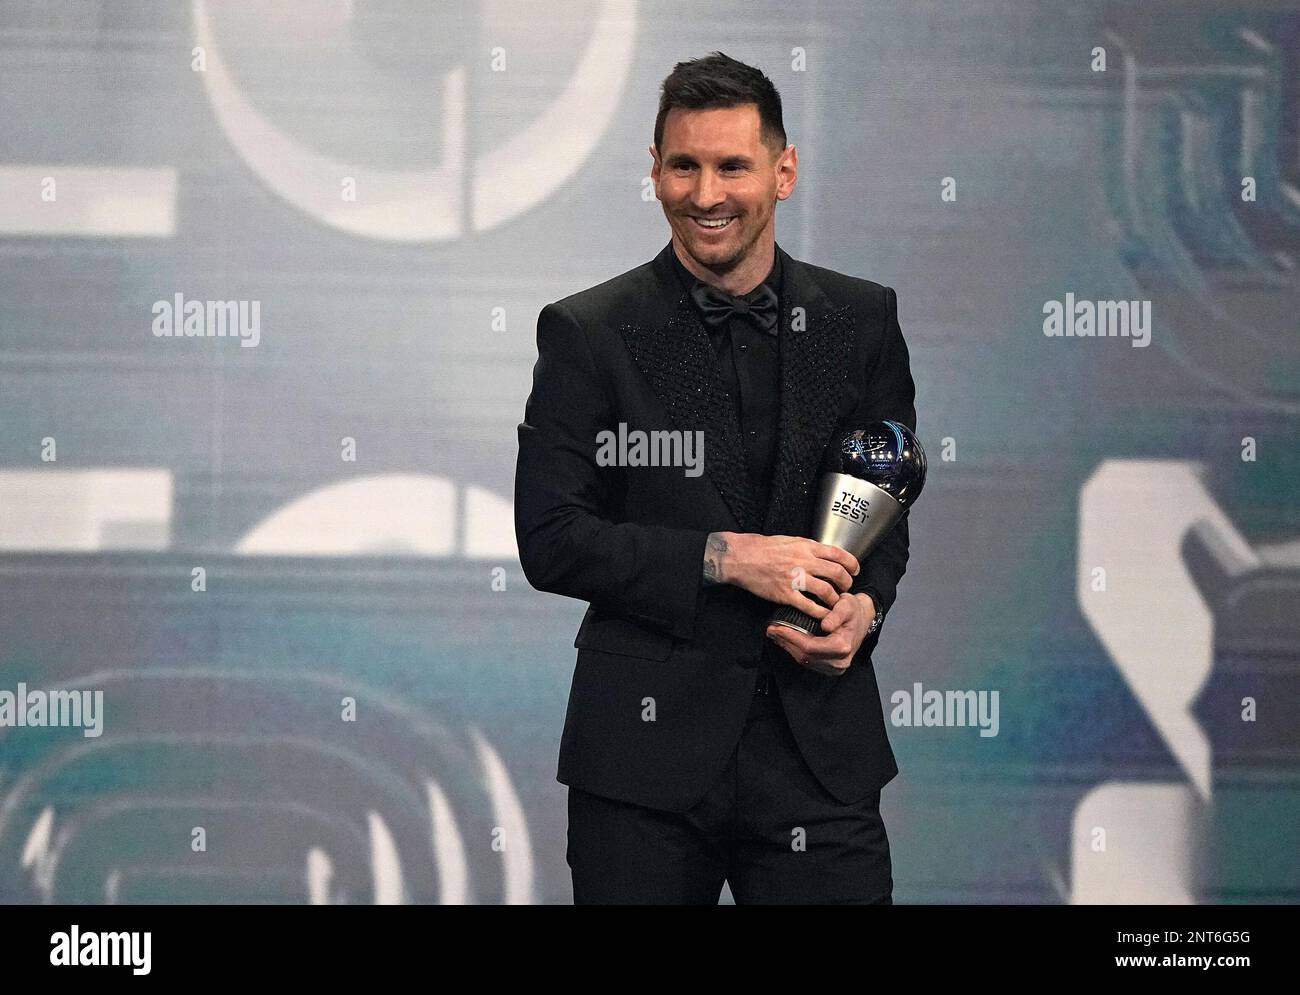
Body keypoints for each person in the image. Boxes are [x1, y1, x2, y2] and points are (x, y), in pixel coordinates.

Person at [514, 51, 916, 904]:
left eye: (732, 165)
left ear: (785, 169)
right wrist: (723, 556)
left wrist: (866, 607)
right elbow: (551, 539)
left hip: (818, 753)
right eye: (684, 166)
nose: (707, 194)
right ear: (654, 173)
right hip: (641, 766)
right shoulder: (588, 333)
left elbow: (885, 501)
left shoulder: (863, 320)